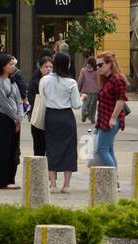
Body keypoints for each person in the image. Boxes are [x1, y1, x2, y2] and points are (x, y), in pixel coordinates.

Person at [41, 50, 82, 192]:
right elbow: (76, 104)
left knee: (51, 148)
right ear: (67, 65)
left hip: (51, 116)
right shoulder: (71, 82)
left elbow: (42, 97)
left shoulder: (45, 80)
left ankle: (52, 184)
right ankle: (66, 185)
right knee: (69, 149)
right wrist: (82, 99)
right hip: (66, 117)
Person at [0, 53, 22, 189]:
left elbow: (19, 100)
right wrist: (14, 117)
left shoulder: (12, 81)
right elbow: (3, 102)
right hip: (3, 119)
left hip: (15, 120)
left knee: (13, 150)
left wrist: (19, 116)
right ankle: (1, 181)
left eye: (14, 64)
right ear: (3, 66)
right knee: (2, 150)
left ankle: (10, 179)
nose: (13, 67)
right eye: (10, 64)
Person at [93, 51, 128, 170]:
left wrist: (113, 118)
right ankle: (114, 181)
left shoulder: (117, 79)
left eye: (100, 65)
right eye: (97, 65)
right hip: (104, 119)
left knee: (102, 149)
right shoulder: (106, 79)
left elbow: (121, 100)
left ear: (109, 65)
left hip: (111, 119)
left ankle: (113, 180)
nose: (98, 68)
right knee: (108, 149)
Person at [25, 56, 51, 157]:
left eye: (51, 67)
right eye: (46, 66)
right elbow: (30, 101)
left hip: (51, 119)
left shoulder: (55, 82)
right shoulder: (35, 82)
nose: (49, 69)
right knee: (39, 147)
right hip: (38, 118)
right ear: (40, 68)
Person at [79, 55, 100, 123]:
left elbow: (80, 80)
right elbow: (98, 81)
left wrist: (78, 88)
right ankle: (92, 118)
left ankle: (85, 113)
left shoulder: (83, 70)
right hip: (95, 90)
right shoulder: (97, 71)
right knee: (93, 105)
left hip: (85, 90)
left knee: (85, 103)